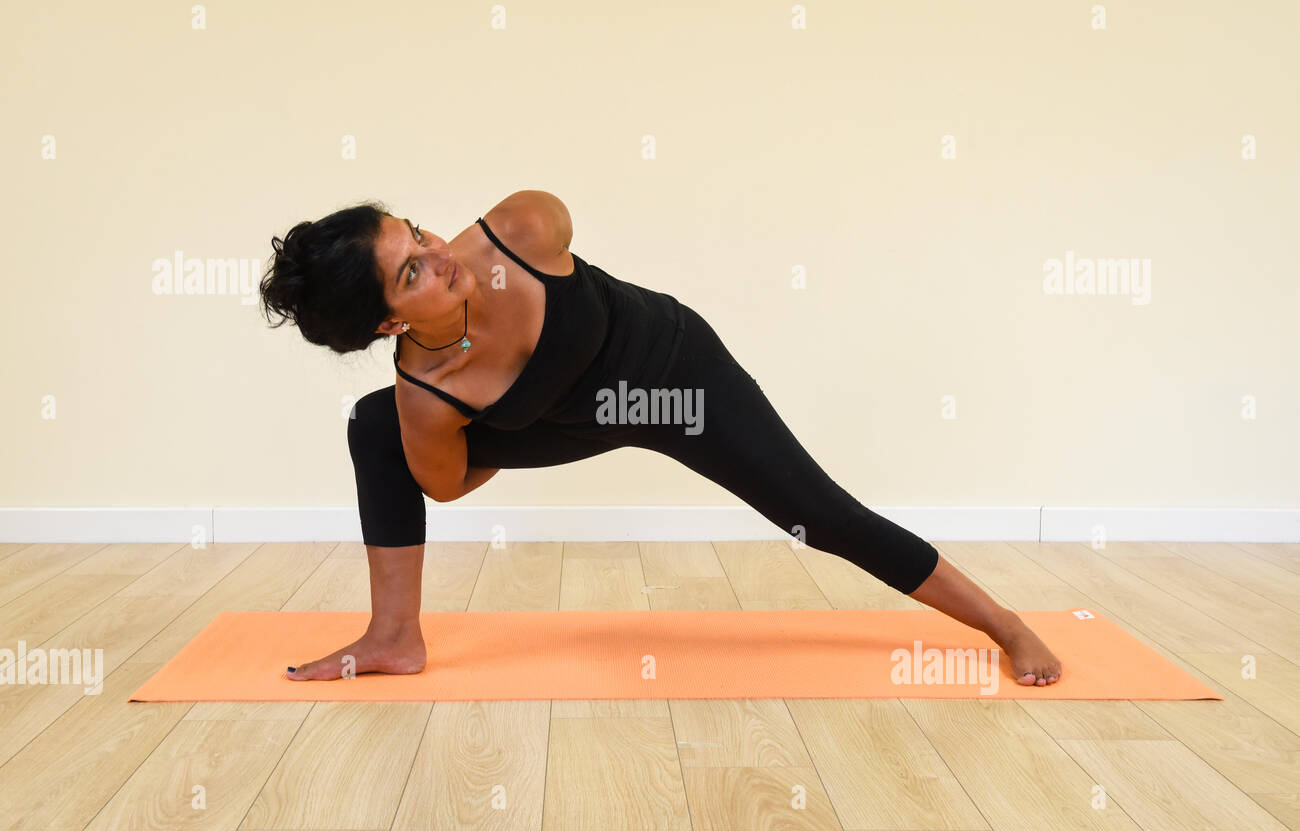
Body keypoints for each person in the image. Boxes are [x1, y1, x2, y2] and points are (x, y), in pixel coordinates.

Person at [258, 191, 1062, 686]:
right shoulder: (428, 398)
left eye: (419, 234)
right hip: (569, 419)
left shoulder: (520, 230)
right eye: (412, 273)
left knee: (819, 516)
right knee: (375, 423)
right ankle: (396, 636)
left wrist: (494, 413)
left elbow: (463, 452)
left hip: (677, 377)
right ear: (392, 323)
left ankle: (1005, 624)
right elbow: (445, 482)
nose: (438, 256)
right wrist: (490, 420)